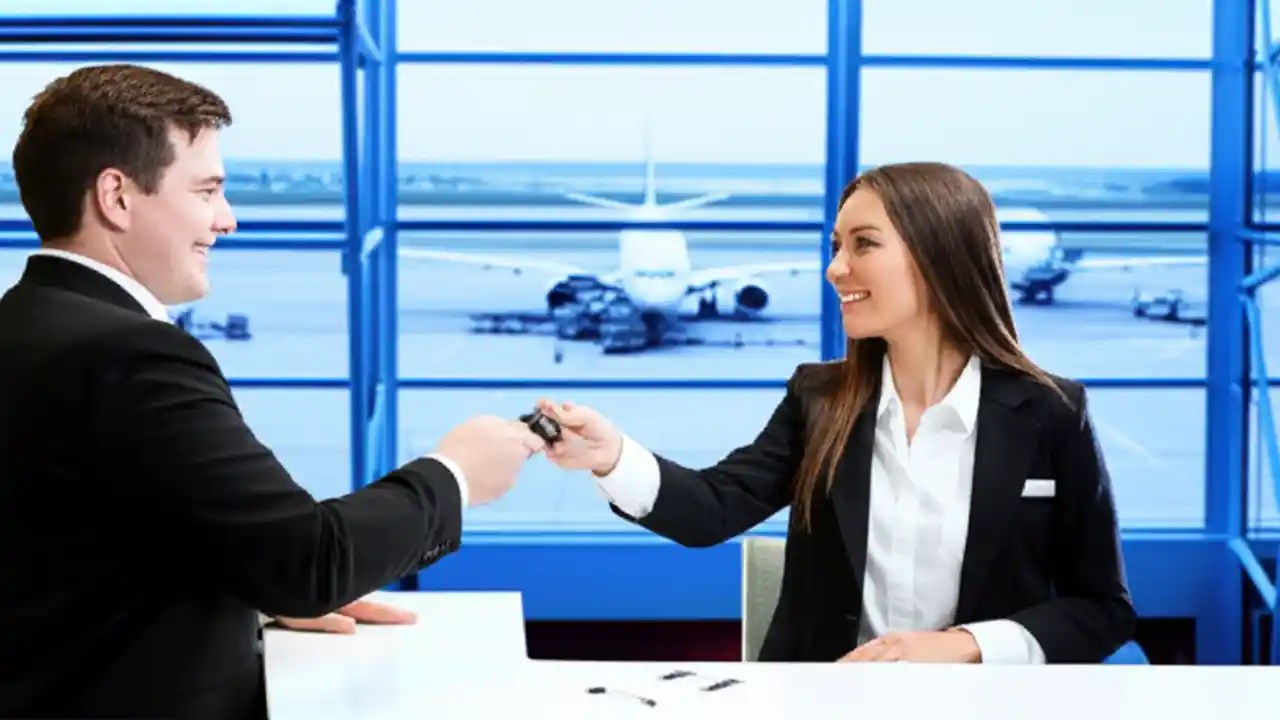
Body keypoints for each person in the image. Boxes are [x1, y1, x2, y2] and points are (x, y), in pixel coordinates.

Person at [0, 64, 544, 718]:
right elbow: (308, 559)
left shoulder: (24, 325)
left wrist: (252, 591)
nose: (225, 221)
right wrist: (455, 475)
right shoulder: (132, 354)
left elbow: (74, 553)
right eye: (206, 192)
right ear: (117, 196)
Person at [537, 161, 1136, 664]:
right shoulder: (821, 398)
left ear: (940, 256)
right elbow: (711, 511)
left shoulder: (1052, 412)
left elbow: (1101, 610)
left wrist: (965, 647)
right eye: (835, 246)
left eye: (863, 244)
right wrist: (612, 456)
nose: (834, 268)